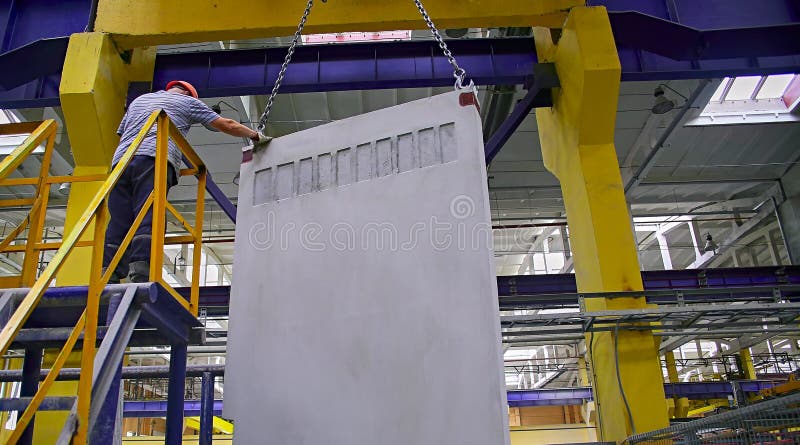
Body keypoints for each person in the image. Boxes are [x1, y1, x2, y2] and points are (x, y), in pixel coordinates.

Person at [103, 80, 268, 283]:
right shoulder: (188, 102)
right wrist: (255, 136)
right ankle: (142, 267)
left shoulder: (140, 100)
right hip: (154, 157)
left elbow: (122, 132)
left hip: (121, 162)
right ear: (189, 94)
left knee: (119, 218)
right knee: (149, 212)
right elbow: (227, 124)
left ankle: (108, 271)